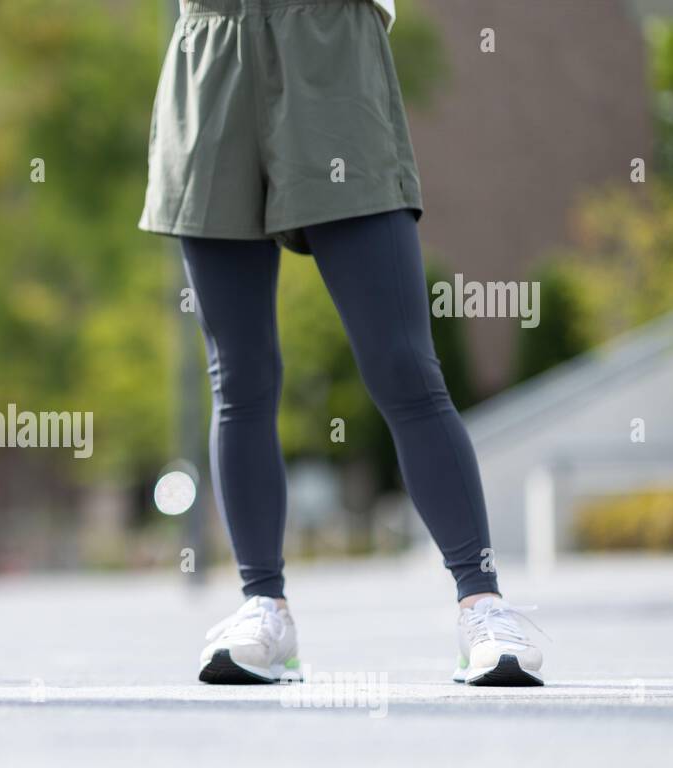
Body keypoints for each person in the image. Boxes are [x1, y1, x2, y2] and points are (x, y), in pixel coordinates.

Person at [139, 0, 545, 686]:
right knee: (238, 375)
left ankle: (482, 603)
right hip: (210, 48)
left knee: (402, 365)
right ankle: (263, 609)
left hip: (331, 41)